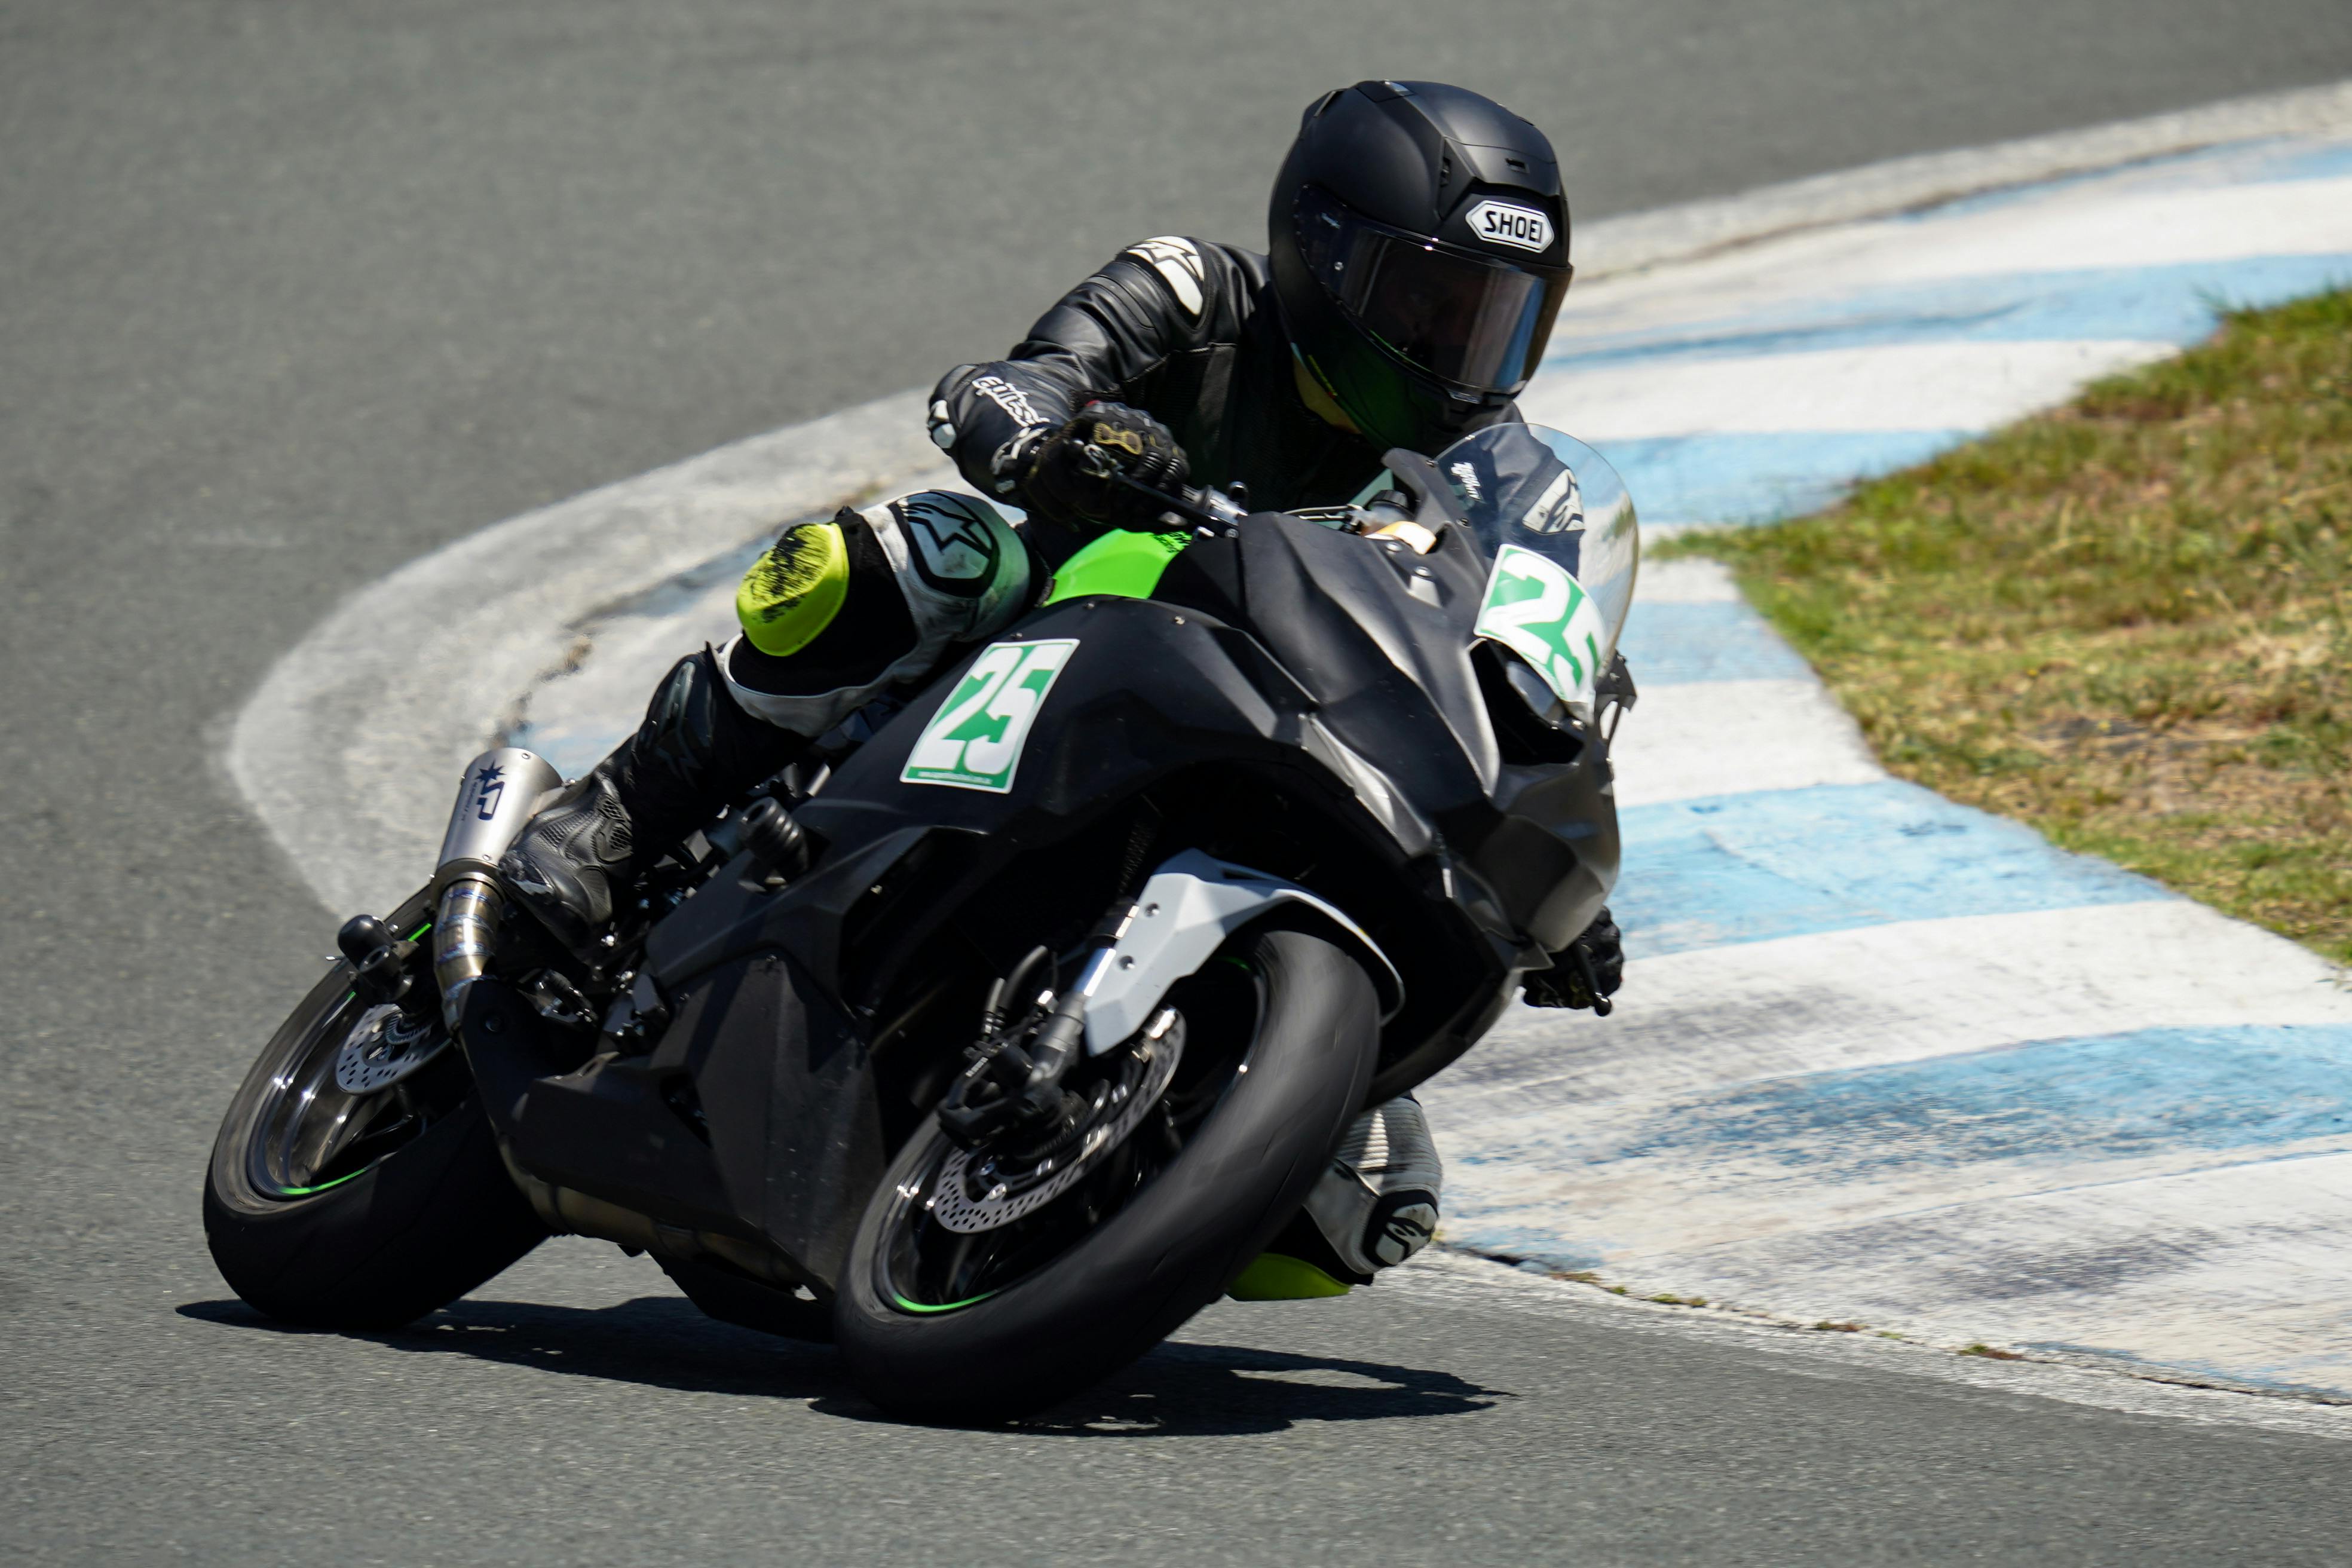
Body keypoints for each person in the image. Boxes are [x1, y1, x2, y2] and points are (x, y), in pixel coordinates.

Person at [500, 79, 1621, 1296]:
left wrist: (1544, 867)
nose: (1460, 351)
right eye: (1431, 303)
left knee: (1365, 1205)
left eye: (1496, 319)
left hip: (1288, 747)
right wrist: (1040, 421)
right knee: (928, 561)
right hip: (1072, 624)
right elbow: (1033, 376)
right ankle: (622, 812)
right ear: (1326, 256)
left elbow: (1530, 673)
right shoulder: (1199, 293)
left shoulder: (1519, 488)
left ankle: (1030, 1189)